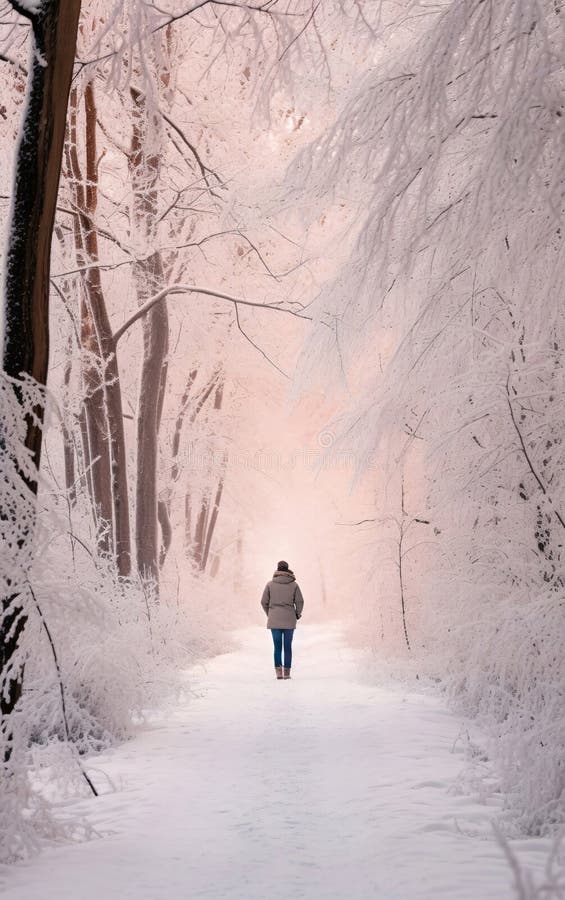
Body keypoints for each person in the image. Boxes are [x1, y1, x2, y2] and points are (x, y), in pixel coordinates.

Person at [261, 560, 304, 680]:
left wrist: (270, 614)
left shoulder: (270, 584)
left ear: (278, 569)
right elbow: (300, 601)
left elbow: (263, 602)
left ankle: (279, 673)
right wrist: (297, 614)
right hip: (289, 619)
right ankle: (287, 673)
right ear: (288, 569)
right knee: (287, 646)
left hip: (274, 619)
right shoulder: (294, 585)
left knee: (277, 646)